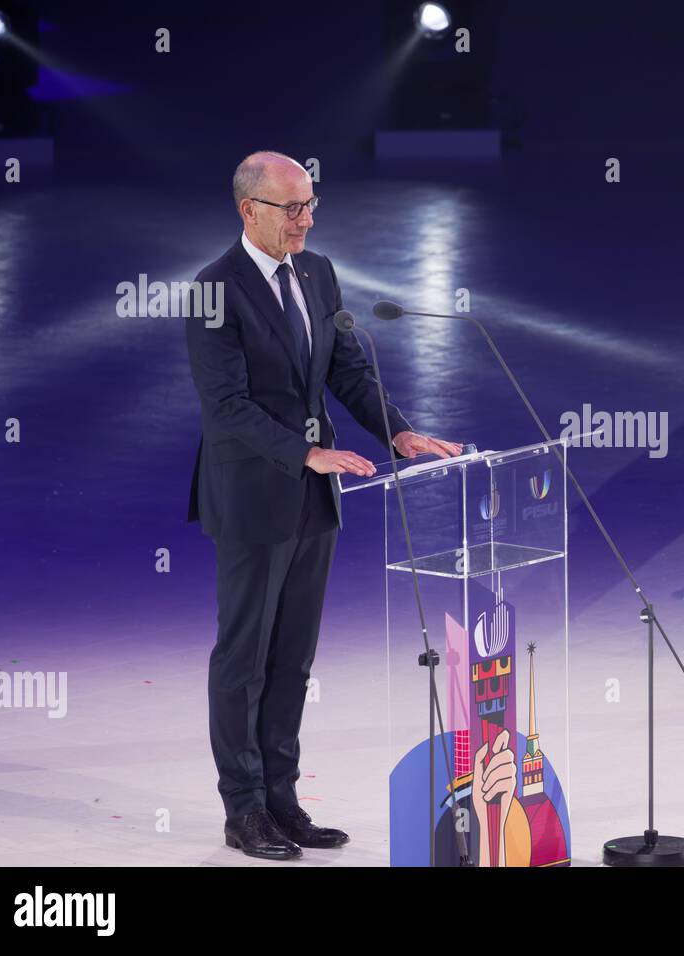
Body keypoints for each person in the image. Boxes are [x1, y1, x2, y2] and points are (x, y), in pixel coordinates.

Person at [186, 151, 461, 858]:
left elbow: (347, 368)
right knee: (244, 658)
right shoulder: (214, 289)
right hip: (253, 492)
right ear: (250, 210)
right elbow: (225, 407)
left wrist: (397, 430)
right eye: (292, 209)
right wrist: (303, 452)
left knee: (293, 659)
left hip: (314, 493)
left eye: (311, 206)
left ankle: (283, 801)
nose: (305, 220)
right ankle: (243, 810)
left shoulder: (317, 272)